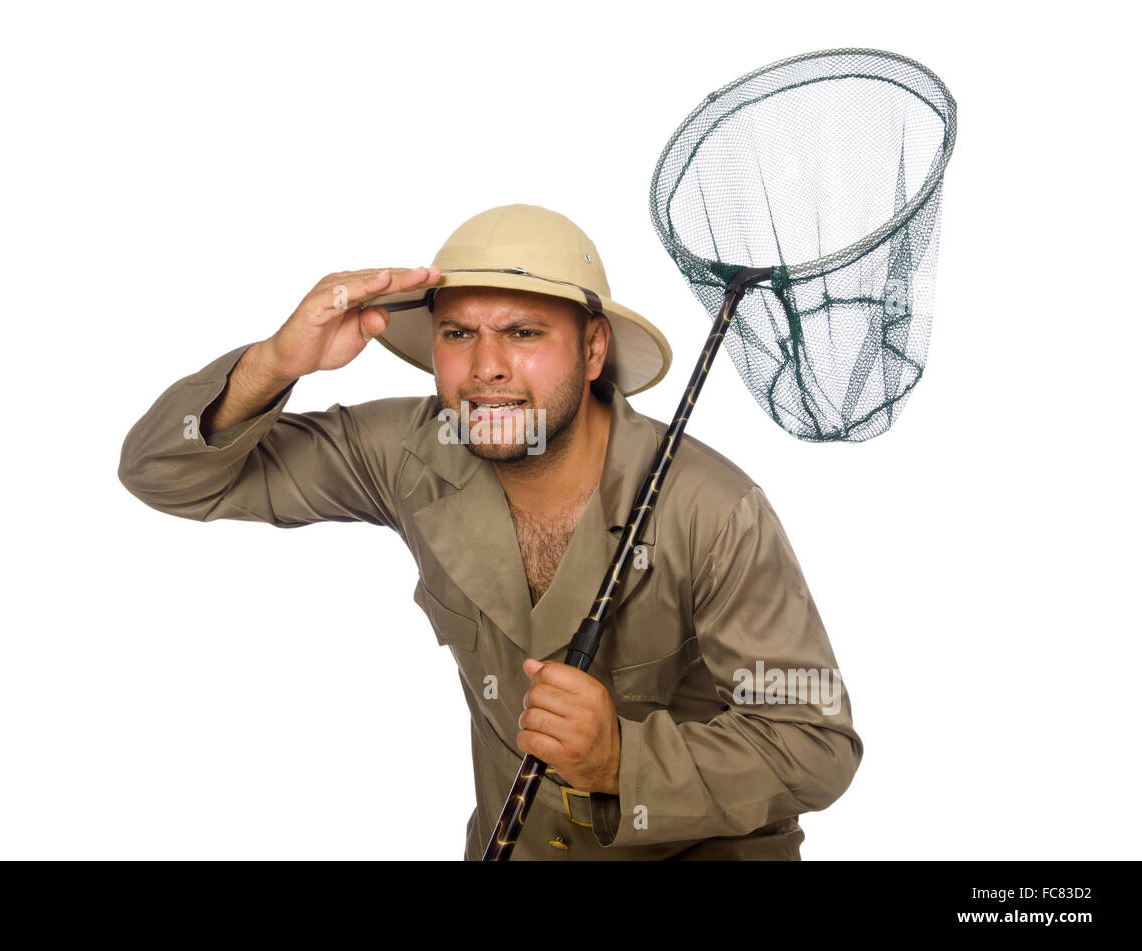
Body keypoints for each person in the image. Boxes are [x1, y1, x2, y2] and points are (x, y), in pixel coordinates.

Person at [118, 203, 863, 860]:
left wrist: (621, 762)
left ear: (594, 348)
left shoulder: (715, 509)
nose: (486, 368)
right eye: (458, 333)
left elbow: (815, 744)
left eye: (524, 331)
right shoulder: (410, 451)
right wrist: (275, 364)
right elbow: (163, 471)